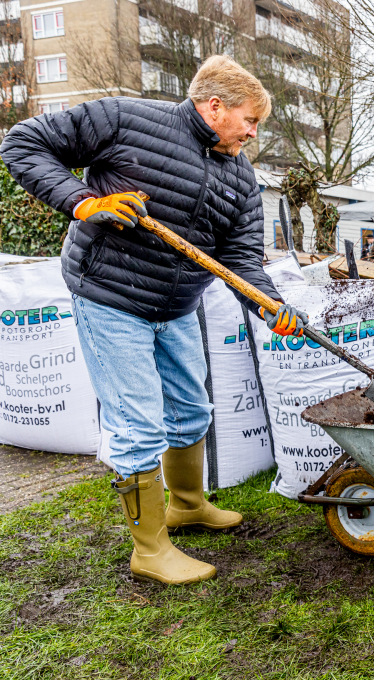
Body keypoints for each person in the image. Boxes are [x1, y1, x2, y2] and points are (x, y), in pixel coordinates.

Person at [0, 55, 309, 586]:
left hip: (176, 307)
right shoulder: (123, 118)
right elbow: (21, 144)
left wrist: (269, 305)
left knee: (191, 409)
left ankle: (187, 504)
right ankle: (149, 550)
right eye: (250, 120)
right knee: (138, 423)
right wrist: (83, 203)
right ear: (215, 107)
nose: (254, 133)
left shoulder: (239, 174)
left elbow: (243, 259)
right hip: (109, 297)